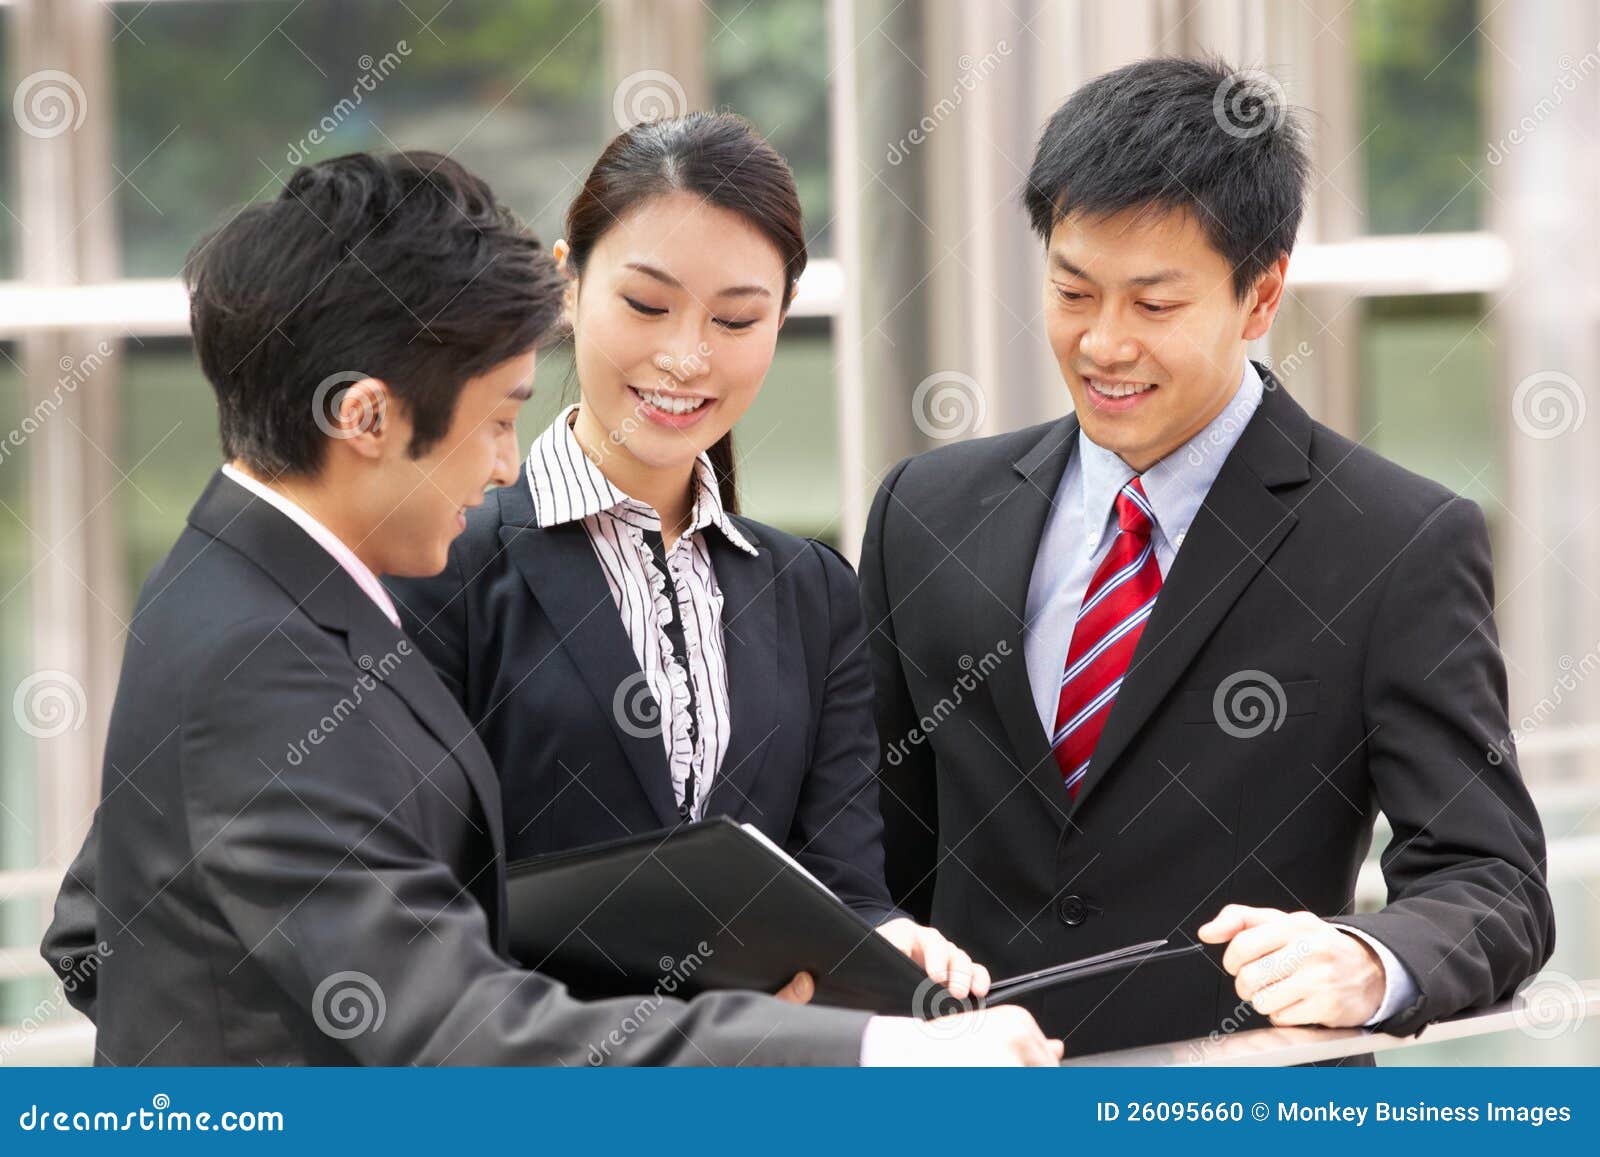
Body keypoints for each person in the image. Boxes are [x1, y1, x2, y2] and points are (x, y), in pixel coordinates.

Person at [41, 149, 1060, 1066]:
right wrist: (864, 1051)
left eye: (736, 318)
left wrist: (864, 965)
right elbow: (440, 1018)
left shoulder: (262, 586)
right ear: (365, 415)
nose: (501, 463)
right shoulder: (323, 617)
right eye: (497, 419)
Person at [861, 57, 1553, 1058]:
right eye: (1072, 291)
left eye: (1153, 306)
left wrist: (1368, 960)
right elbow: (867, 850)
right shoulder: (924, 513)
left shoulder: (1395, 541)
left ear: (1260, 296)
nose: (1103, 344)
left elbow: (1493, 880)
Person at [386, 112, 987, 1009]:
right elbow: (406, 898)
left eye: (736, 318)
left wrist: (888, 942)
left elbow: (846, 888)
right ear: (567, 283)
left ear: (782, 315)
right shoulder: (443, 561)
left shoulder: (813, 592)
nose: (686, 357)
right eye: (646, 305)